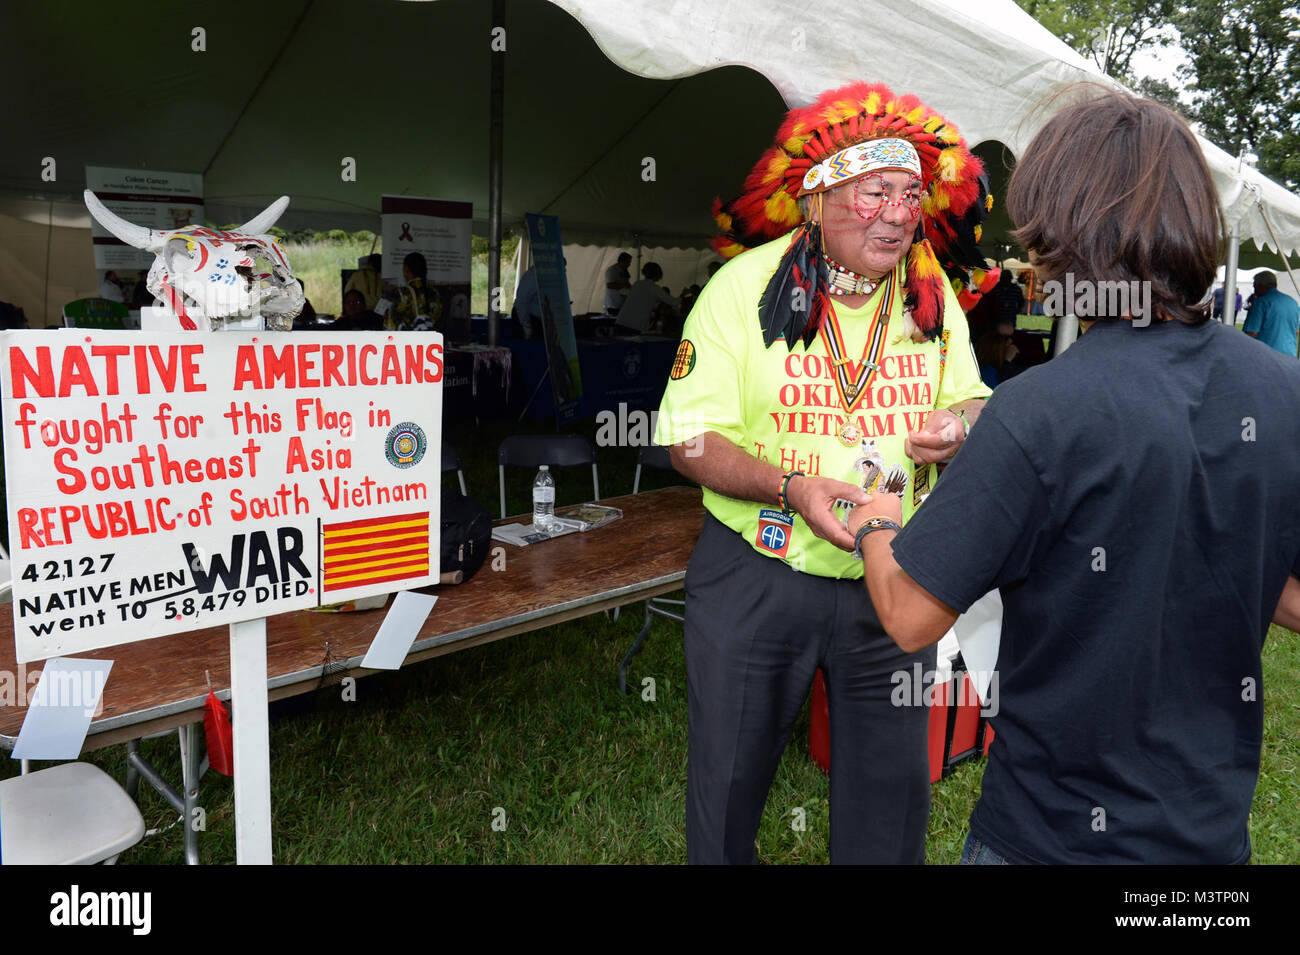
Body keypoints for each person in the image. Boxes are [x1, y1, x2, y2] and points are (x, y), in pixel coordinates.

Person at [846, 85, 1300, 864]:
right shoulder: (1283, 390)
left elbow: (912, 615)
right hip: (1207, 843)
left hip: (1047, 838)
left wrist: (874, 522)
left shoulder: (1036, 411)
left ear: (1062, 230)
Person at [654, 80, 998, 864]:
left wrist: (959, 425)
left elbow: (977, 399)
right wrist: (790, 488)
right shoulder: (742, 290)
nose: (899, 212)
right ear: (815, 201)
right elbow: (687, 439)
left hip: (895, 574)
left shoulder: (929, 289)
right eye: (875, 190)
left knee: (891, 798)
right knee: (729, 782)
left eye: (911, 193)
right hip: (759, 569)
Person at [379, 251, 441, 331]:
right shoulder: (435, 292)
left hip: (409, 341)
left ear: (406, 269)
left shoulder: (401, 293)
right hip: (429, 339)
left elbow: (391, 324)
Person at [1242, 271, 1299, 356]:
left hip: (1267, 357)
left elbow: (1251, 333)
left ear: (1260, 286)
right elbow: (1296, 331)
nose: (1254, 289)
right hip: (1289, 357)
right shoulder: (1292, 302)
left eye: (1254, 286)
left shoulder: (1260, 302)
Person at [615, 262, 679, 334]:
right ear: (657, 274)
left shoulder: (637, 283)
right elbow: (674, 302)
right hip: (635, 325)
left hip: (621, 321)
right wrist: (684, 294)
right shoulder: (654, 288)